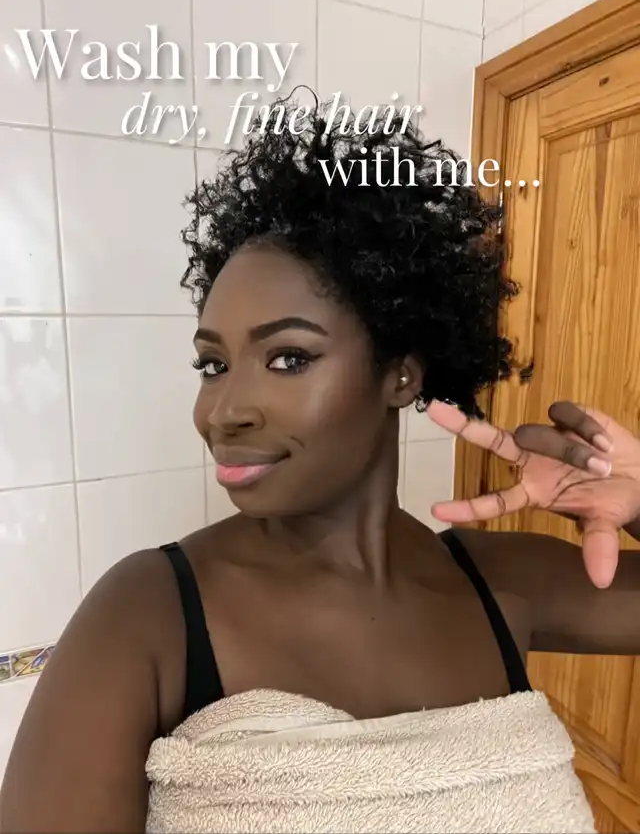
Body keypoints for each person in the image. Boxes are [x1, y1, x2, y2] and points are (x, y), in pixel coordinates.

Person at [1, 97, 639, 834]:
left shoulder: (500, 580)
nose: (223, 411)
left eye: (287, 358)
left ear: (399, 373)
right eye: (213, 364)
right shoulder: (148, 613)